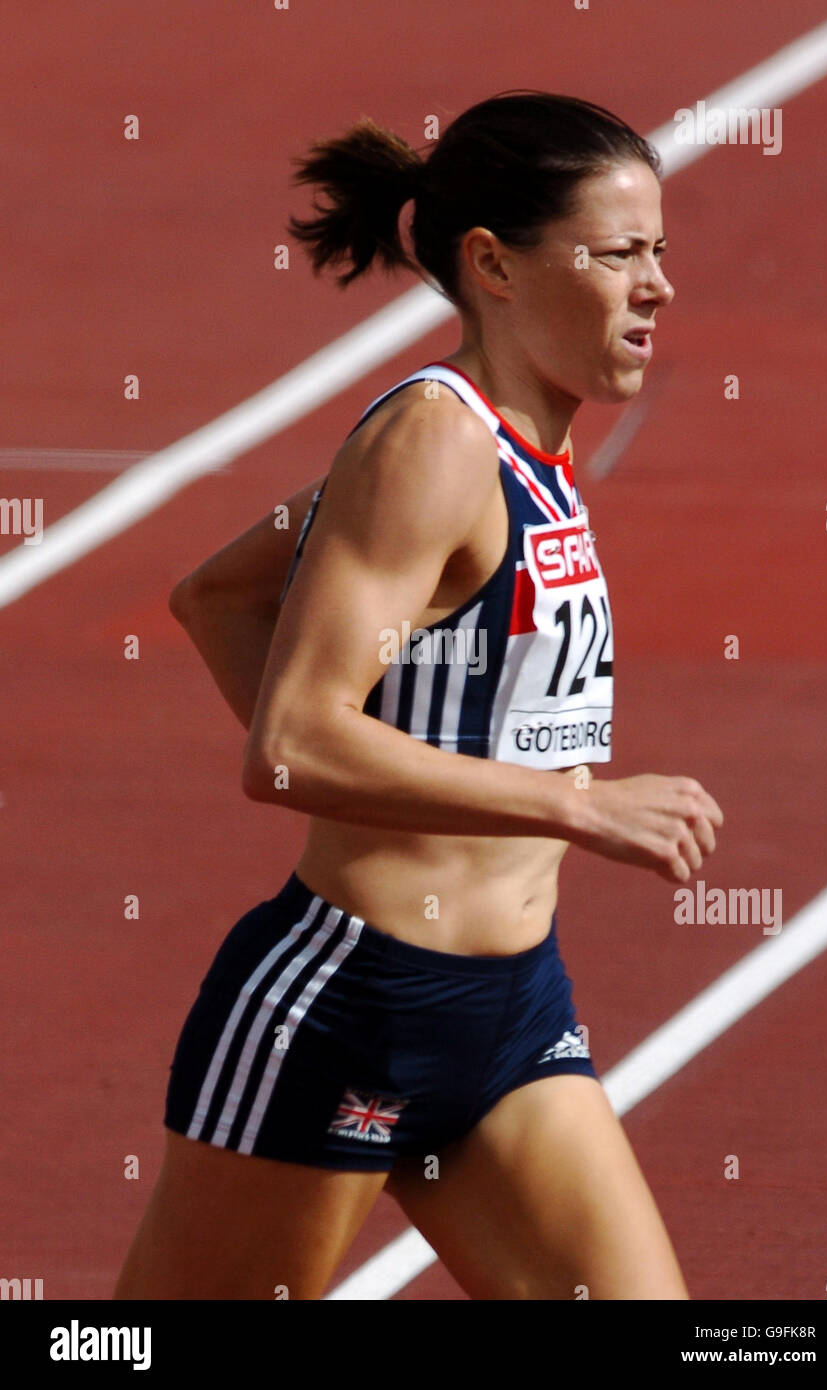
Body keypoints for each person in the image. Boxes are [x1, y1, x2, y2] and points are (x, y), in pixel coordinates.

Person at [114, 90, 723, 1302]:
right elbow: (287, 743)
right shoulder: (432, 445)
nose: (654, 285)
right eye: (615, 255)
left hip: (509, 1012)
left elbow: (218, 596)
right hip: (350, 1005)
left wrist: (398, 801)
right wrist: (572, 807)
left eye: (657, 250)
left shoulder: (518, 452)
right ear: (492, 264)